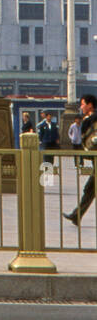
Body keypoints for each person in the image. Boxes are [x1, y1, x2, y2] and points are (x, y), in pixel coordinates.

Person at [64, 94, 97, 227]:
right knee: (90, 189)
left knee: (90, 189)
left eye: (83, 104)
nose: (81, 107)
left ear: (90, 105)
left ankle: (76, 215)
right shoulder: (89, 119)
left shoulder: (94, 120)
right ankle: (76, 215)